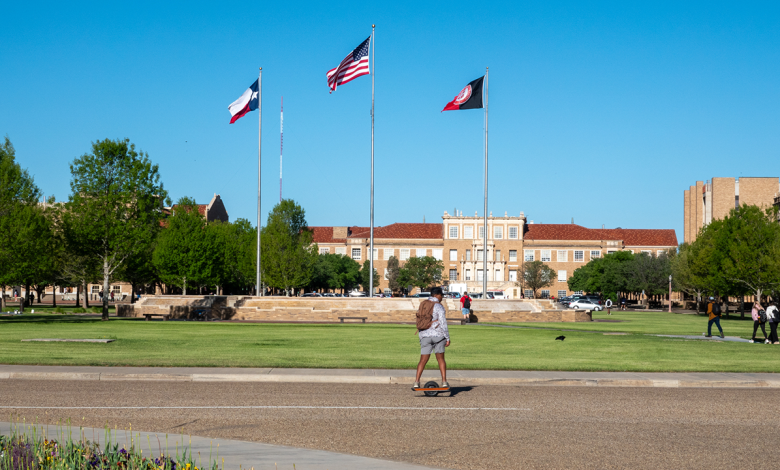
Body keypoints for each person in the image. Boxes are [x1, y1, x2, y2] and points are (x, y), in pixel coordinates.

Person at [412, 286, 450, 390]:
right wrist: (447, 337)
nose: (442, 297)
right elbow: (443, 323)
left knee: (423, 360)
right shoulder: (439, 306)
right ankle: (444, 382)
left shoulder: (423, 304)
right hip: (438, 336)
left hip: (425, 335)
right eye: (441, 295)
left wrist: (422, 335)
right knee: (441, 359)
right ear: (437, 295)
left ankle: (416, 382)